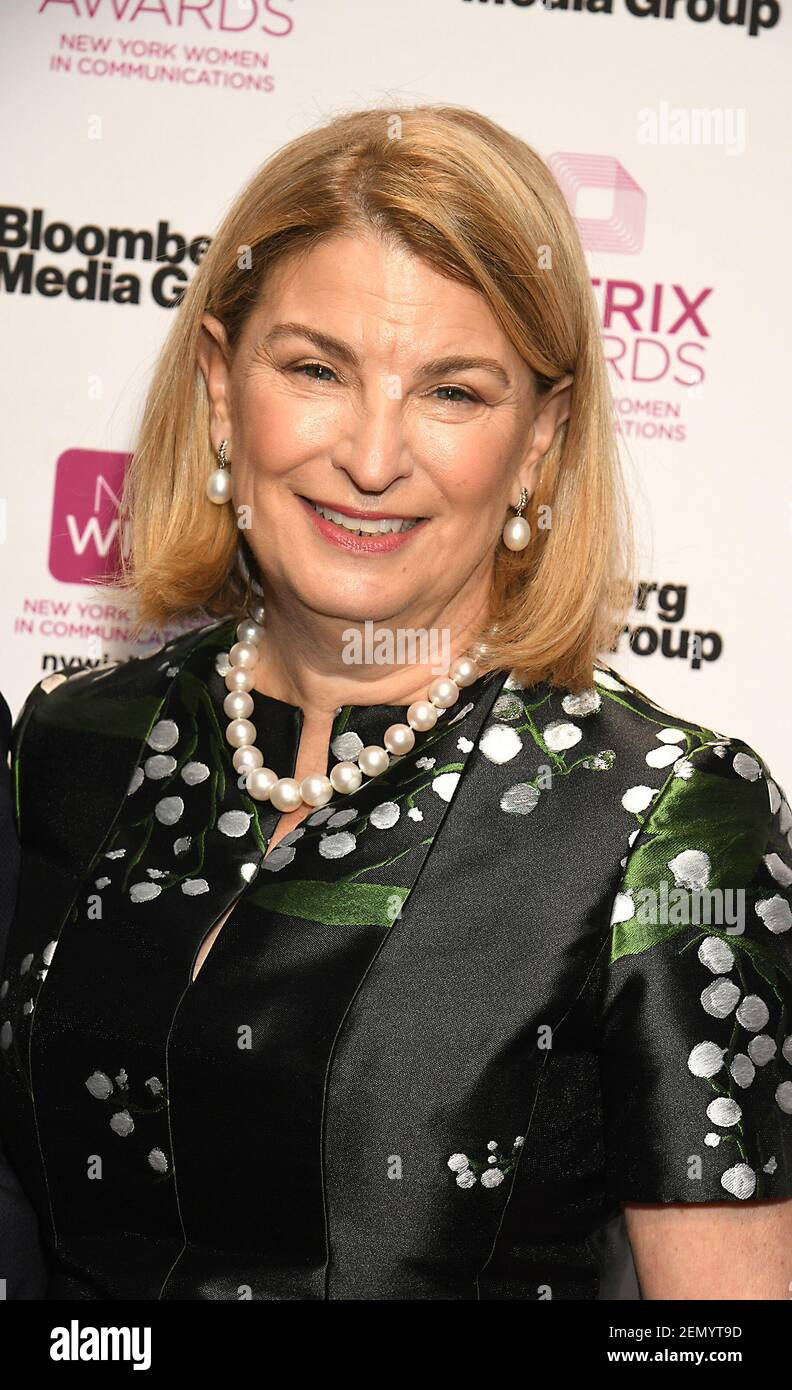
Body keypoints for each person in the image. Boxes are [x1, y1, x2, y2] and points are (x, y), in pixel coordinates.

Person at [1, 103, 790, 1302]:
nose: (372, 457)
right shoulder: (70, 741)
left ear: (540, 438)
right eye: (315, 369)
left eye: (453, 392)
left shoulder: (664, 820)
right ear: (221, 386)